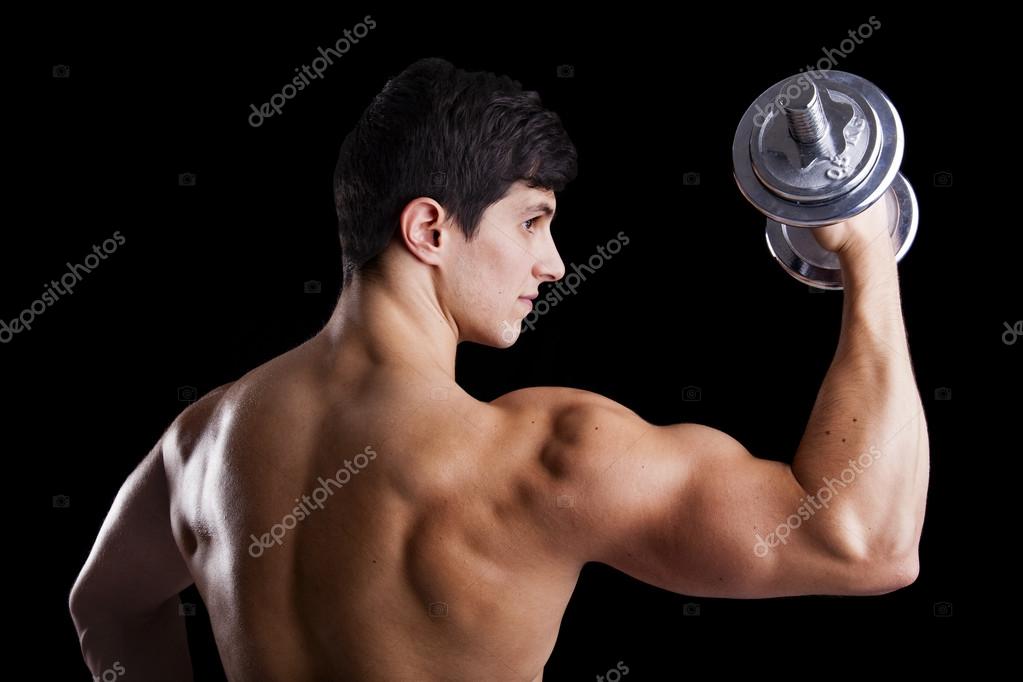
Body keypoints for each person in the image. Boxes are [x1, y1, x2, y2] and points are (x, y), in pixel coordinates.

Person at [70, 57, 928, 681]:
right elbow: (862, 543)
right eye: (531, 222)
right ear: (430, 230)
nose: (553, 263)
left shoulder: (203, 442)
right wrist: (866, 249)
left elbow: (101, 608)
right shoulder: (545, 453)